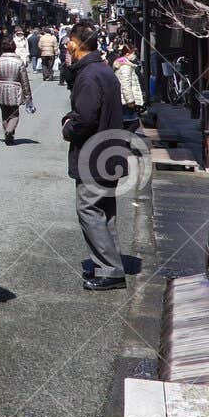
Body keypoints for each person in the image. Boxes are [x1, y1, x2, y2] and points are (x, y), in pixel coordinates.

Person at [62, 29, 129, 291]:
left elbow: (85, 118)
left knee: (89, 210)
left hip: (94, 153)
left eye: (69, 42)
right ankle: (109, 264)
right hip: (108, 151)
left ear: (76, 44)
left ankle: (110, 269)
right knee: (104, 211)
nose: (67, 46)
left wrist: (68, 127)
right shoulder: (102, 69)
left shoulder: (89, 75)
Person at [0, 43, 34, 146]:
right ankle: (9, 131)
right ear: (14, 48)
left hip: (1, 88)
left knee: (4, 113)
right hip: (15, 89)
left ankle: (8, 134)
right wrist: (28, 96)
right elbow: (24, 80)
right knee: (14, 114)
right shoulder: (19, 62)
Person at [114, 42, 145, 132]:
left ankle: (124, 138)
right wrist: (130, 101)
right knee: (134, 123)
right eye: (133, 54)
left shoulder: (123, 64)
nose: (135, 56)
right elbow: (125, 85)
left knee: (127, 123)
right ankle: (124, 139)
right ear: (127, 54)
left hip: (123, 100)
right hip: (126, 101)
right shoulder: (125, 67)